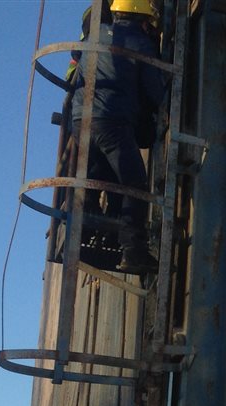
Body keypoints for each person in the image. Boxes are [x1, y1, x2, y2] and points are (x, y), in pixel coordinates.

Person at [69, 0, 167, 275]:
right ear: (143, 20)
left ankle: (82, 234)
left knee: (94, 177)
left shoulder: (95, 33)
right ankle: (133, 251)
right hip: (112, 122)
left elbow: (78, 60)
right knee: (133, 183)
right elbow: (155, 93)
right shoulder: (139, 42)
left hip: (81, 121)